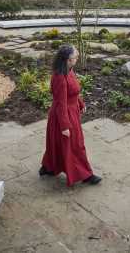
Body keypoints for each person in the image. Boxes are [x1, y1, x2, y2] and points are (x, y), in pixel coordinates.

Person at [39, 45, 101, 186]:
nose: (77, 59)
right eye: (75, 57)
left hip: (71, 112)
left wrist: (80, 103)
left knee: (57, 144)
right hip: (63, 115)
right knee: (75, 145)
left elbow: (73, 91)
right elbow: (61, 103)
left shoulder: (69, 71)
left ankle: (48, 167)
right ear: (67, 60)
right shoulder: (60, 78)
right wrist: (64, 126)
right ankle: (86, 175)